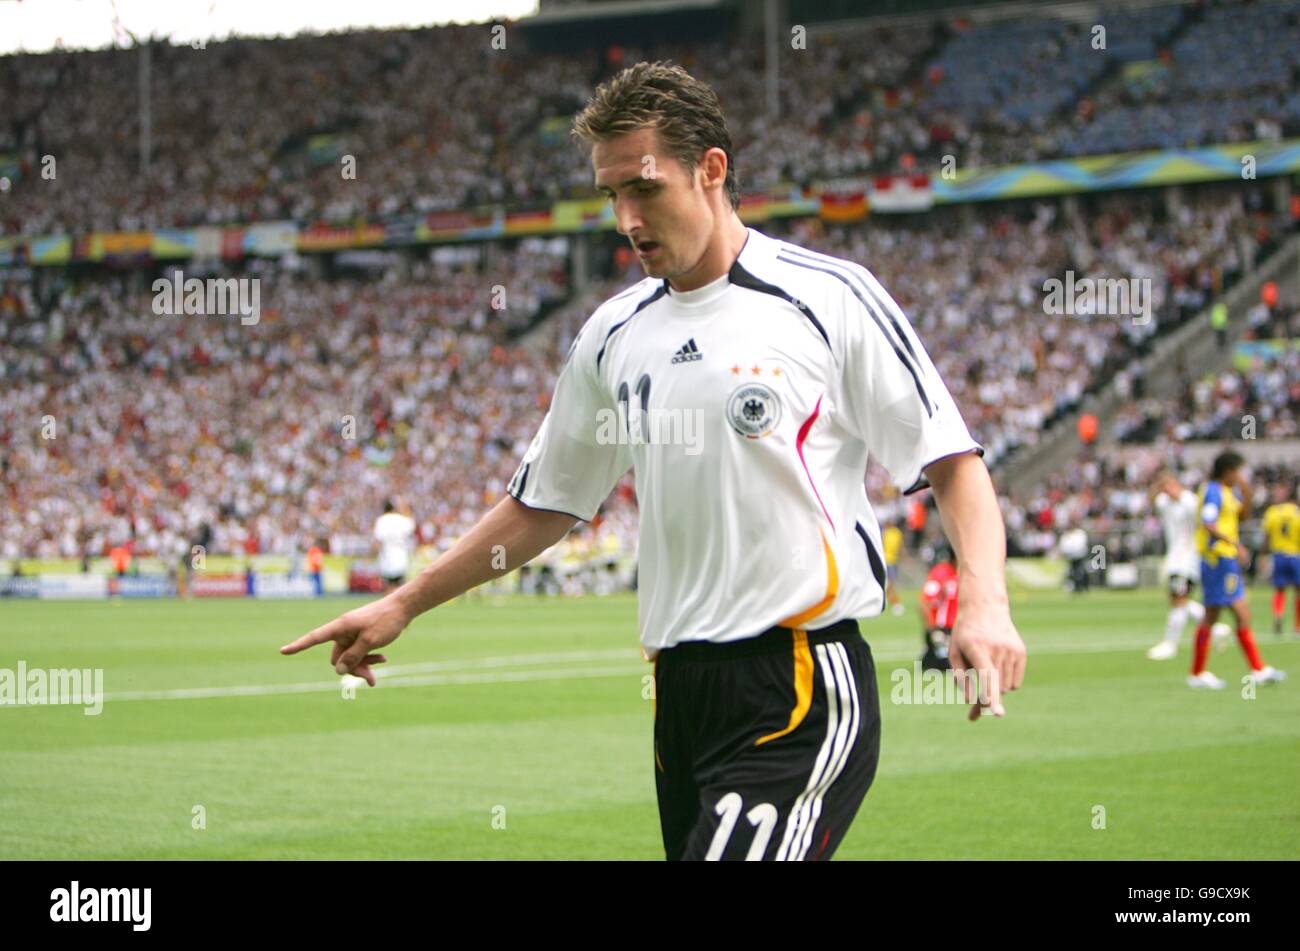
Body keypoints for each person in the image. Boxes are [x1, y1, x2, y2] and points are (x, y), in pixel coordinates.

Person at [281, 61, 1025, 861]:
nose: (626, 220)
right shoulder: (613, 332)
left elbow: (950, 458)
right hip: (681, 695)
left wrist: (983, 601)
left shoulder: (828, 298)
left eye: (644, 188)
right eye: (611, 196)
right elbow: (546, 502)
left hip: (802, 681)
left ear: (711, 169)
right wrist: (405, 602)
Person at [1189, 451, 1286, 689]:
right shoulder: (1212, 491)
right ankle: (1255, 670)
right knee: (1238, 613)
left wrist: (1246, 489)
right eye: (1238, 471)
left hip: (1225, 560)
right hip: (1218, 559)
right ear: (1228, 471)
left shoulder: (1227, 492)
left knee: (1215, 616)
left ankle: (1201, 673)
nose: (1241, 475)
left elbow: (1243, 516)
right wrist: (1235, 544)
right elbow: (1208, 523)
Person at [1146, 471, 1209, 660]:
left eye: (1170, 485)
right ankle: (1214, 625)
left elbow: (1200, 519)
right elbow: (1152, 501)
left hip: (1187, 558)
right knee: (1177, 599)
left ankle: (1170, 644)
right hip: (1174, 558)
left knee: (1179, 600)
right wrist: (1157, 486)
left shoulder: (1189, 500)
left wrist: (1177, 492)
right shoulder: (1165, 502)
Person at [1261, 480, 1300, 637]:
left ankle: (1278, 614)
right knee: (1298, 591)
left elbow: (1266, 536)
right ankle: (1298, 625)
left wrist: (1263, 554)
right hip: (1295, 555)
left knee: (1279, 590)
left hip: (1278, 555)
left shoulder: (1272, 512)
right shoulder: (1297, 512)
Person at [919, 544, 958, 671]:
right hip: (943, 629)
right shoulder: (941, 573)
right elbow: (925, 603)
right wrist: (932, 630)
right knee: (942, 665)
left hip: (960, 628)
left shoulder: (967, 573)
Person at [373, 499, 416, 593]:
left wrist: (373, 555)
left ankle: (388, 607)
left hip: (386, 556)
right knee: (400, 587)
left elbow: (377, 540)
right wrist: (404, 507)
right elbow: (412, 525)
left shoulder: (381, 520)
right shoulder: (401, 519)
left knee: (388, 587)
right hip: (400, 555)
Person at [882, 520, 905, 616]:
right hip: (888, 560)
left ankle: (893, 602)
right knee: (890, 584)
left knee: (890, 584)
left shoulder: (893, 533)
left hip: (892, 561)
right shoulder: (887, 533)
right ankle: (895, 603)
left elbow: (899, 547)